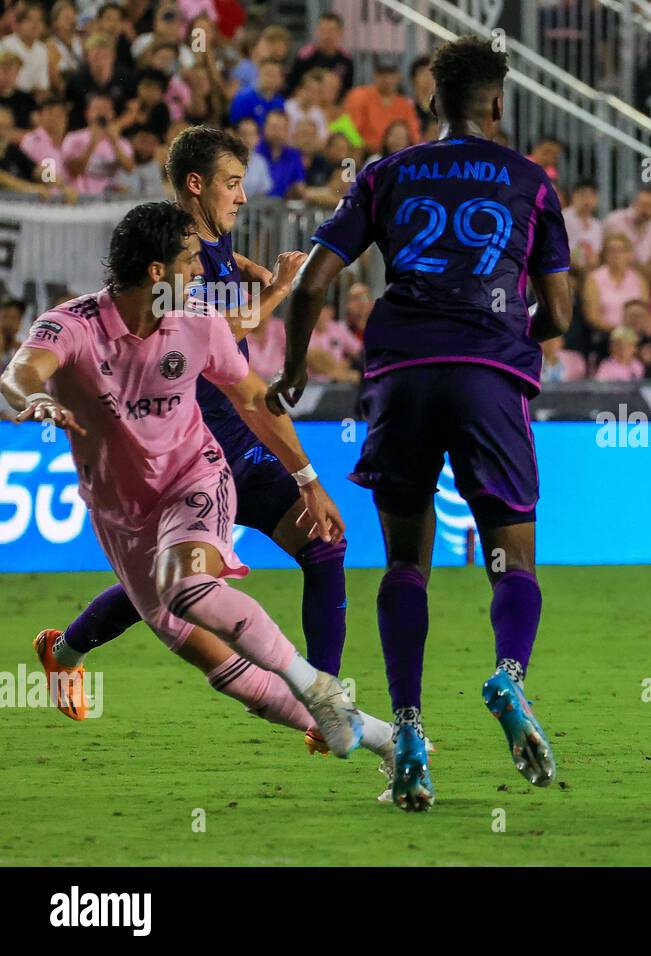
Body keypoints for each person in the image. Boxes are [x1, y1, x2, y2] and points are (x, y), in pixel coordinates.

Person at [267, 37, 572, 811]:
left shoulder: (385, 173)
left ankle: (406, 733)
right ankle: (508, 678)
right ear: (497, 104)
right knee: (511, 548)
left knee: (407, 558)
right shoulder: (532, 182)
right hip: (489, 377)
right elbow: (563, 313)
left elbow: (310, 283)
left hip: (401, 374)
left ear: (431, 103)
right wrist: (498, 342)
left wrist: (296, 369)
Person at [1, 202, 396, 782]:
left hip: (196, 476)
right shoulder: (74, 324)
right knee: (225, 670)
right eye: (190, 260)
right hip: (121, 513)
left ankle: (319, 685)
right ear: (158, 272)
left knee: (188, 587)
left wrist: (308, 480)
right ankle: (385, 740)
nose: (201, 271)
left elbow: (256, 402)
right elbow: (20, 372)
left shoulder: (198, 319)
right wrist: (30, 399)